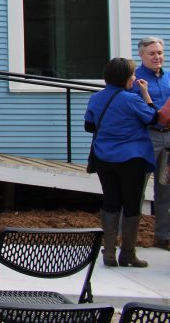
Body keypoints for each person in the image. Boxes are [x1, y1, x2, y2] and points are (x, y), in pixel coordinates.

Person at [86, 57, 170, 267]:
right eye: (132, 74)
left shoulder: (96, 98)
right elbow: (153, 118)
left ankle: (109, 252)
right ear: (125, 78)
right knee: (131, 203)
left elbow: (89, 126)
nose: (135, 77)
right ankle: (128, 253)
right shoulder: (132, 99)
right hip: (132, 158)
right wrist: (145, 94)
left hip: (104, 156)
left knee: (111, 200)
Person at [132, 36, 170, 250]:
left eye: (160, 53)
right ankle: (128, 238)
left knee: (166, 188)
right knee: (137, 188)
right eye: (152, 53)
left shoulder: (169, 78)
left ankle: (164, 236)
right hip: (146, 137)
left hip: (168, 137)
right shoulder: (134, 79)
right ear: (141, 55)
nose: (157, 57)